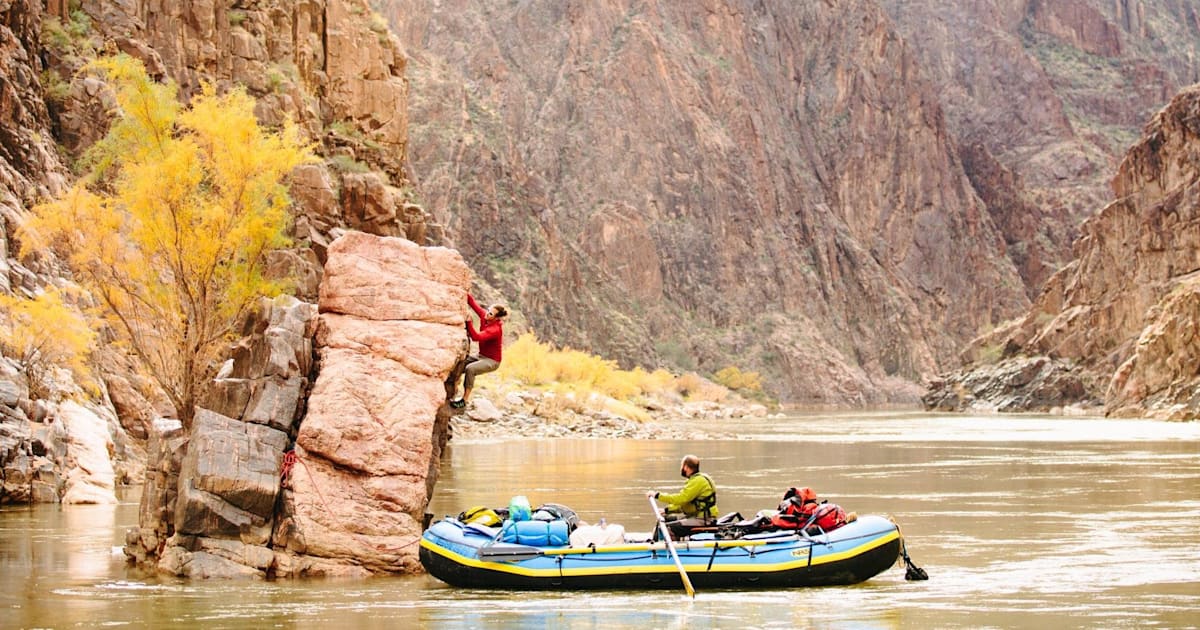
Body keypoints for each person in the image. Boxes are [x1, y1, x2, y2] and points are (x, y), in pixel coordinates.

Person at [450, 293, 507, 408]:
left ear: (496, 318)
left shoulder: (495, 329)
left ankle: (464, 401)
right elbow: (473, 303)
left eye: (490, 313)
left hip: (492, 361)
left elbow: (476, 337)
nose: (487, 313)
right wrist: (462, 290)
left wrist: (469, 322)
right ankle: (451, 391)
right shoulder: (485, 316)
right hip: (481, 355)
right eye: (488, 310)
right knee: (460, 364)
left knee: (470, 369)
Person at [646, 454, 719, 538]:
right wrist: (667, 510)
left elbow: (681, 499)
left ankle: (665, 548)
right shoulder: (697, 479)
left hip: (703, 520)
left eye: (682, 465)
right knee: (666, 519)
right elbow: (686, 504)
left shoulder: (698, 481)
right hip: (695, 517)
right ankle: (654, 542)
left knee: (666, 528)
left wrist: (658, 495)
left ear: (686, 467)